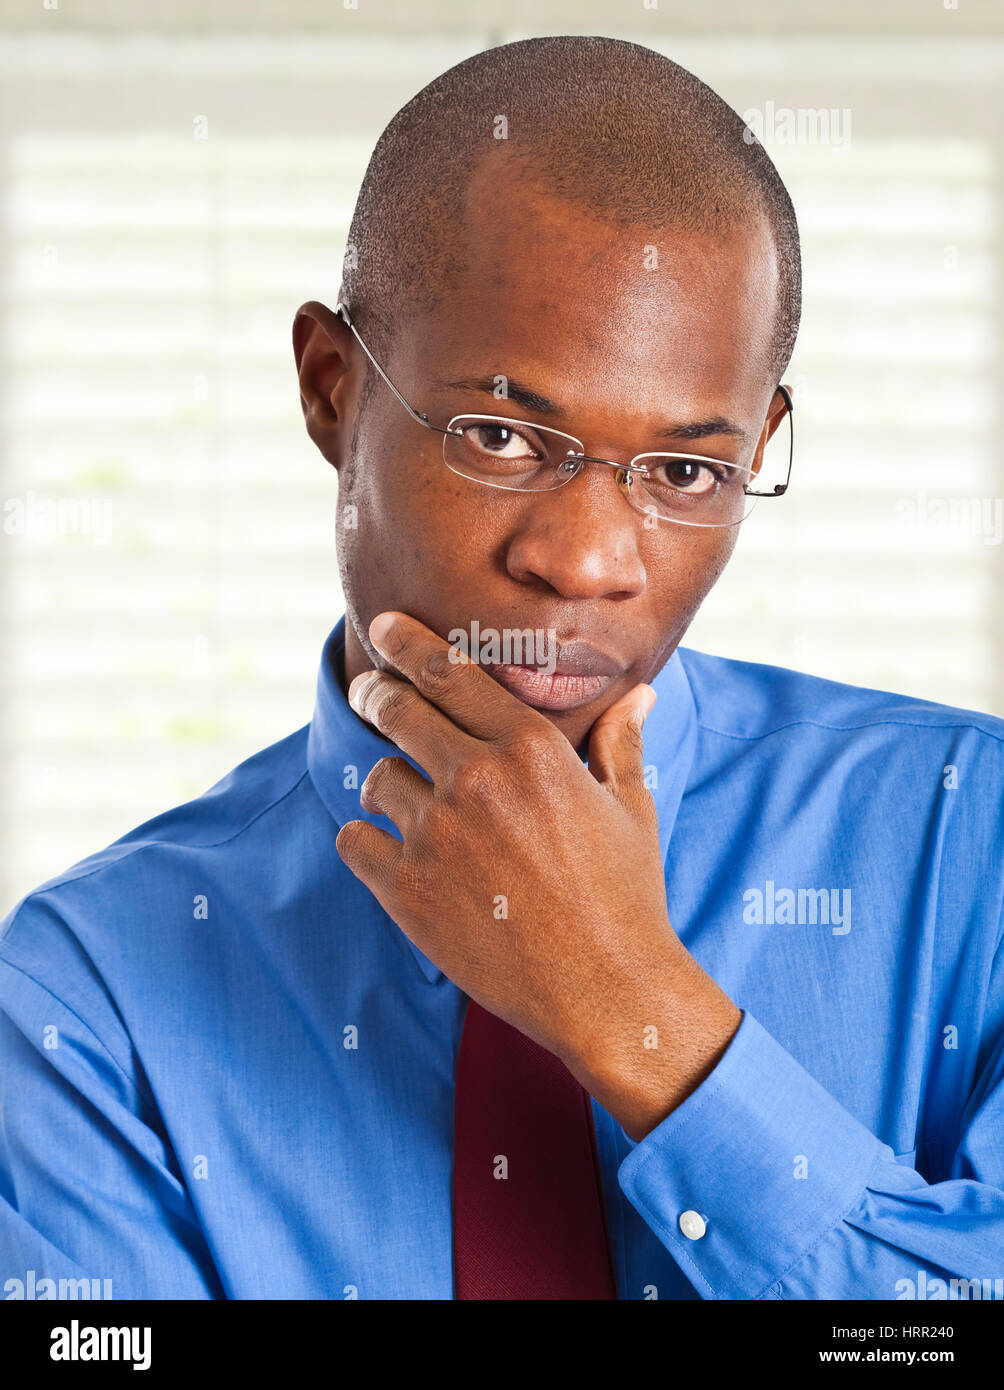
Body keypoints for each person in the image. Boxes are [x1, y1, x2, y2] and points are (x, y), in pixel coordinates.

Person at [1, 34, 1002, 1302]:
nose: (584, 560)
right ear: (329, 390)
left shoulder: (972, 848)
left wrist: (636, 1015)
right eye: (499, 436)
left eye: (685, 470)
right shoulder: (92, 998)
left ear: (760, 446)